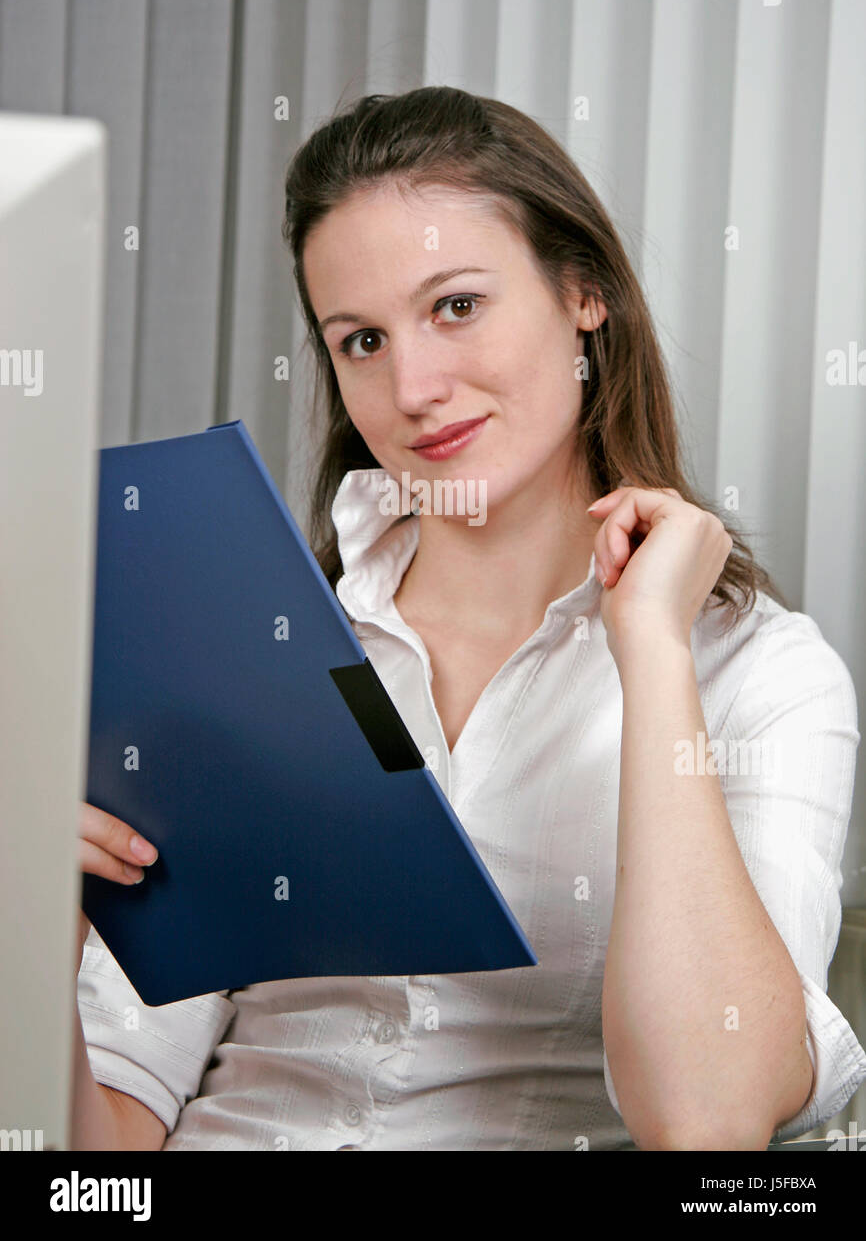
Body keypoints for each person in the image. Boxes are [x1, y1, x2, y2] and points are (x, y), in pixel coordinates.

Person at [73, 86, 866, 1150]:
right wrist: (35, 933)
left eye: (455, 306)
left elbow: (705, 1120)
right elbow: (102, 1146)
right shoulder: (244, 645)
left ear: (581, 293)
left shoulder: (758, 675)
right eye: (359, 339)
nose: (413, 386)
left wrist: (649, 652)